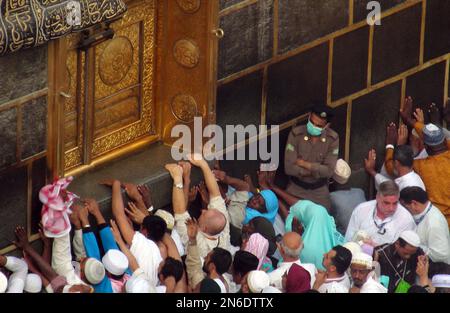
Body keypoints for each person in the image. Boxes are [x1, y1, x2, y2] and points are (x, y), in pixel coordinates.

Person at [267, 177, 345, 270]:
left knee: (311, 213)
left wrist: (297, 235)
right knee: (315, 212)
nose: (325, 255)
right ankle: (273, 189)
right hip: (313, 223)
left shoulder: (303, 250)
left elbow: (287, 261)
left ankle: (272, 189)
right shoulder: (336, 243)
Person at [170, 154, 230, 261]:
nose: (202, 210)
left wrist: (178, 178)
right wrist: (203, 164)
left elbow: (180, 212)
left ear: (204, 228)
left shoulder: (199, 244)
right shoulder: (221, 224)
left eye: (204, 214)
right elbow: (215, 193)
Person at [284, 104, 339, 210]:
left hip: (319, 191)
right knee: (290, 221)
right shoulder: (296, 134)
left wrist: (305, 164)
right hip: (296, 189)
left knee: (322, 220)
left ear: (327, 126)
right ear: (309, 116)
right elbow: (289, 168)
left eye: (318, 126)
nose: (313, 127)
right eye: (312, 122)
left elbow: (329, 171)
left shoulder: (332, 139)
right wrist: (317, 170)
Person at [345, 180, 416, 247]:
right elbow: (348, 240)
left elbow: (402, 252)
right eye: (386, 203)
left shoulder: (406, 220)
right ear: (377, 197)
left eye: (395, 203)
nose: (391, 208)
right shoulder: (361, 210)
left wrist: (375, 248)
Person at [400, 187, 450, 264]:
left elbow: (441, 254)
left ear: (414, 204)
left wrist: (414, 246)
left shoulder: (434, 223)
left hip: (434, 271)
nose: (405, 210)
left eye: (405, 207)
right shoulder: (423, 214)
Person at [185, 218, 232, 293]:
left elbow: (193, 265)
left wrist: (192, 240)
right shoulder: (225, 283)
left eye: (207, 258)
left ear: (212, 266)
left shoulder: (201, 285)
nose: (204, 258)